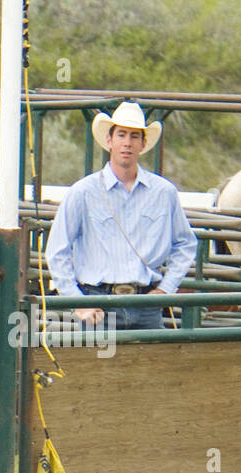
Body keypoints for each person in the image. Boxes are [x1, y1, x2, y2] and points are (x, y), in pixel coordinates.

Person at [46, 100, 197, 331]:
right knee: (98, 367)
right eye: (122, 135)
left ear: (143, 143)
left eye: (134, 136)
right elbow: (57, 250)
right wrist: (78, 302)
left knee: (152, 366)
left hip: (146, 301)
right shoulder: (82, 192)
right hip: (98, 301)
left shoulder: (164, 192)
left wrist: (165, 289)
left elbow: (186, 244)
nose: (127, 143)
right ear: (109, 140)